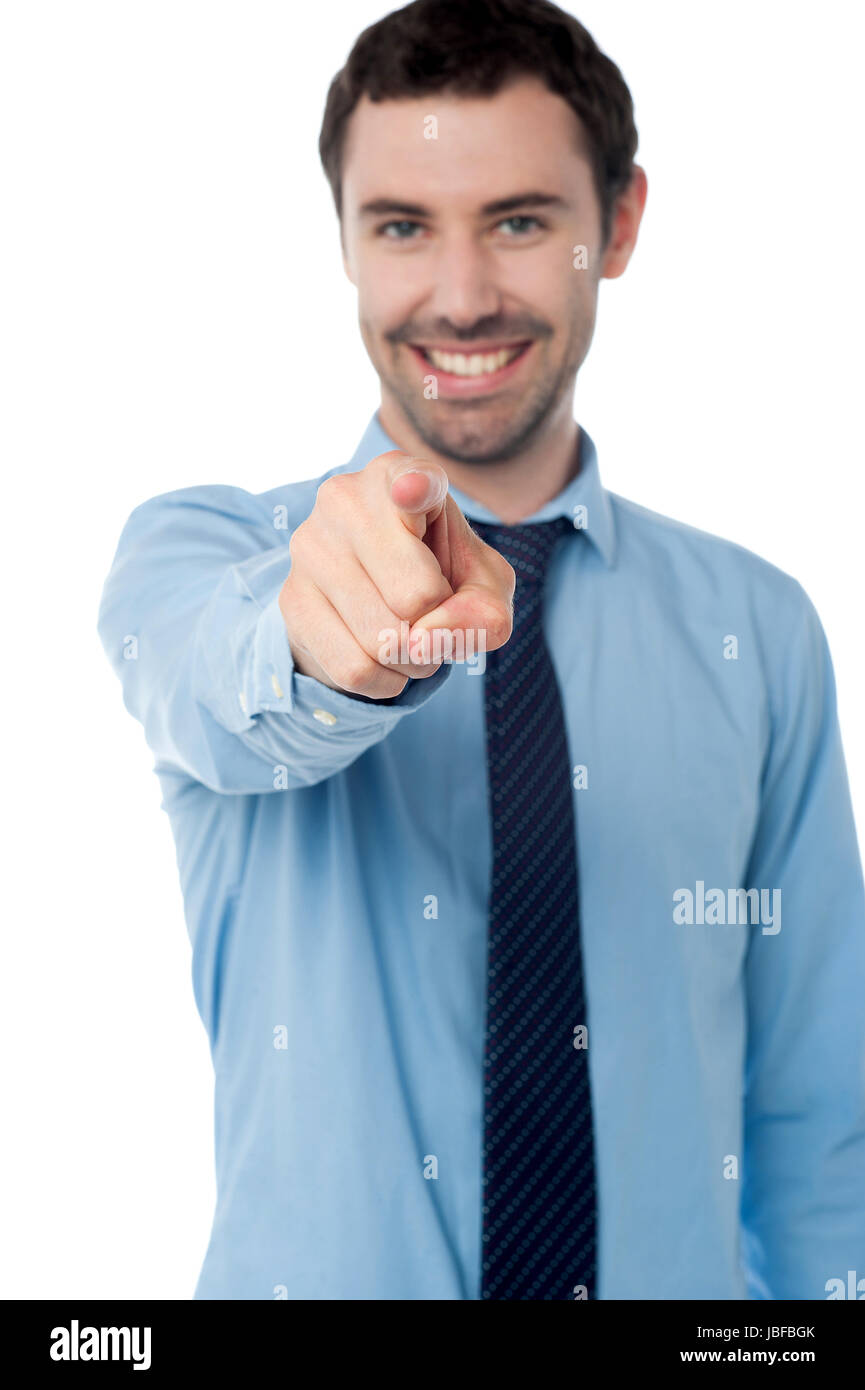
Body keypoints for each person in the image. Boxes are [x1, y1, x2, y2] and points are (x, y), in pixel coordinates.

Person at [97, 0, 865, 1300]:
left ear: (615, 225)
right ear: (342, 240)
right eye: (400, 226)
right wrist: (340, 642)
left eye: (517, 221)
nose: (457, 300)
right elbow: (224, 686)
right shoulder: (206, 558)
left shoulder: (760, 626)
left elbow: (816, 1111)